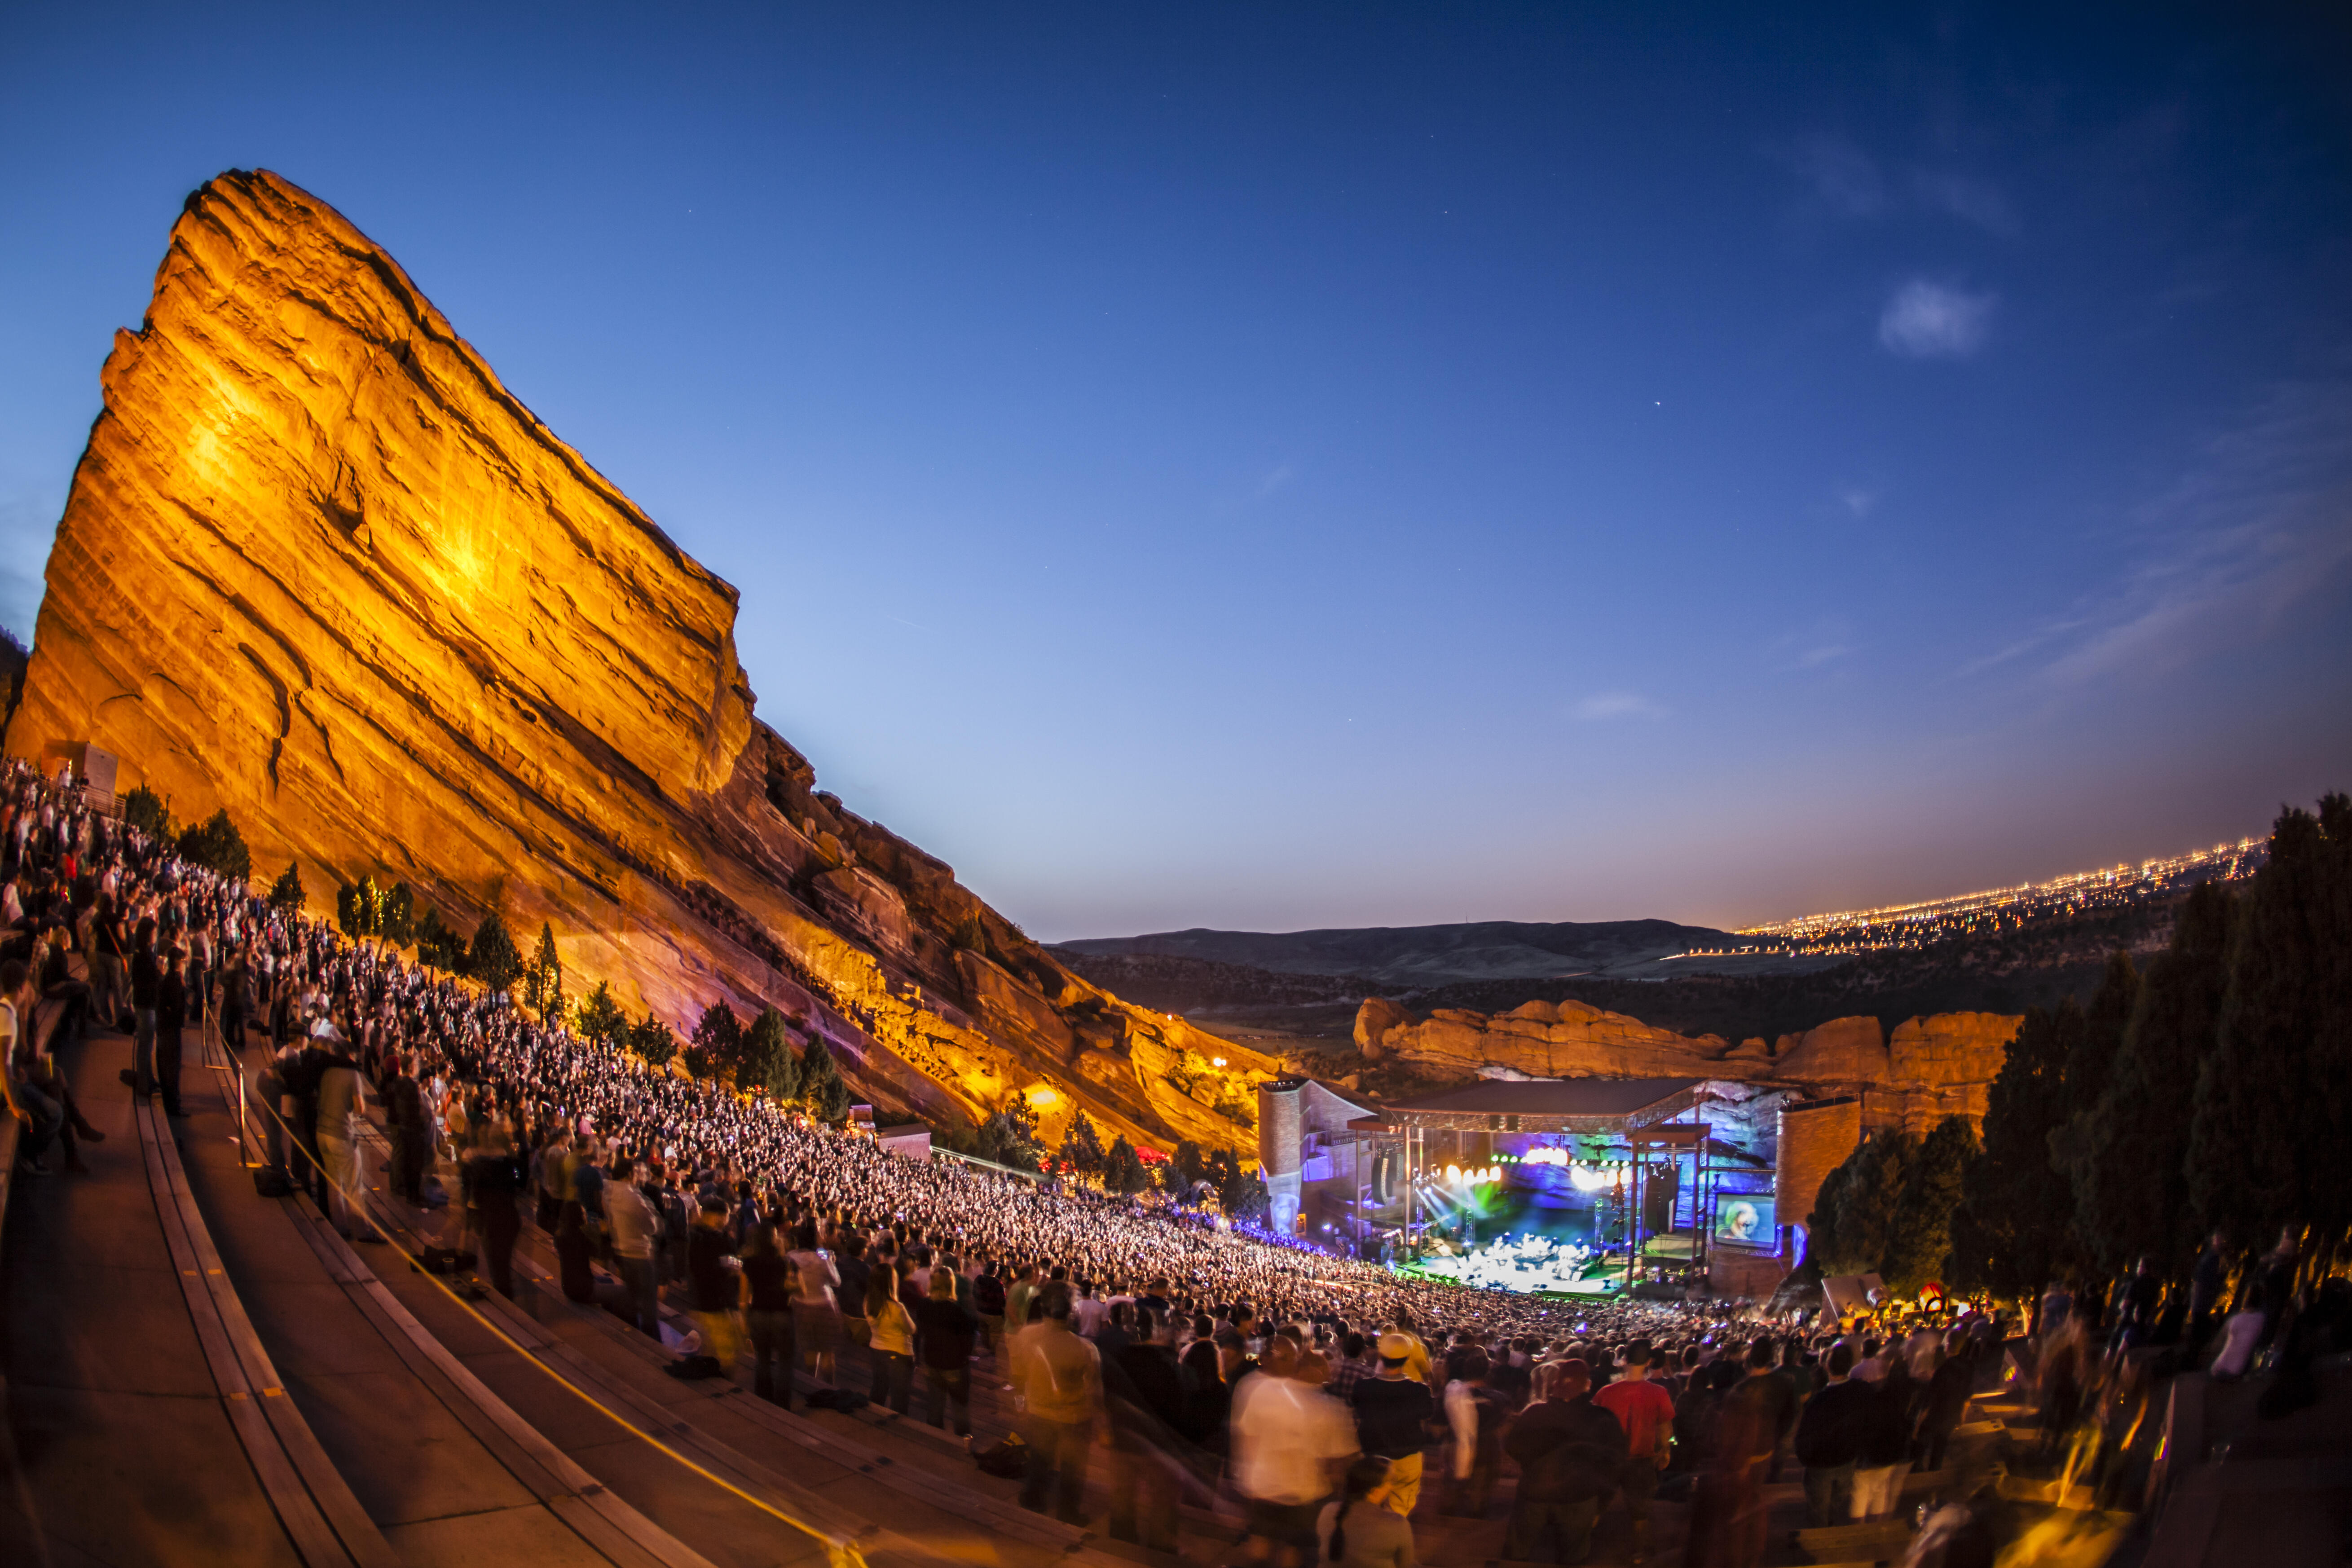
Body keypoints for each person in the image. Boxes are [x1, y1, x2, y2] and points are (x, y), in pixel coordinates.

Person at [1231, 1336, 1360, 1568]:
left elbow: (1247, 1437)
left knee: (1260, 1543)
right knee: (1293, 1550)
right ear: (1323, 1374)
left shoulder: (1262, 1390)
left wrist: (1246, 1476)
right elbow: (1339, 1464)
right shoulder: (1332, 1409)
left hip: (1262, 1486)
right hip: (1304, 1494)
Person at [1501, 1359, 1627, 1566]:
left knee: (1517, 1552)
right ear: (1588, 1384)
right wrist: (1602, 1502)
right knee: (1574, 1556)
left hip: (1535, 1492)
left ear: (1556, 1383)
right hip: (1580, 1495)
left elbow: (1512, 1446)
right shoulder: (1603, 1418)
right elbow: (1615, 1463)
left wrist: (1533, 1466)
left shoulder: (1535, 1413)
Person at [1012, 1281, 1101, 1524]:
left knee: (1040, 1460)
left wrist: (1022, 1406)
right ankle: (1068, 1513)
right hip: (1073, 1418)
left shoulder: (1026, 1335)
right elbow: (1094, 1392)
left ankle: (1032, 1501)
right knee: (1073, 1469)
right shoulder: (1086, 1349)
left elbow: (1018, 1374)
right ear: (1073, 1311)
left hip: (1037, 1410)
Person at [1593, 1342, 1676, 1562]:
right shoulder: (1659, 1393)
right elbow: (1665, 1428)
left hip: (1610, 1459)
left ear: (1624, 1360)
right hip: (1642, 1460)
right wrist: (1666, 1450)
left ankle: (1581, 1547)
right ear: (1649, 1362)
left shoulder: (1605, 1393)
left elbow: (1596, 1427)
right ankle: (1639, 1555)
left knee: (1597, 1506)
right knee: (1640, 1513)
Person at [1350, 1330, 1437, 1516]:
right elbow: (1427, 1414)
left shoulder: (1363, 1387)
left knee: (1368, 1504)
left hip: (1372, 1455)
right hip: (1407, 1456)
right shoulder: (1419, 1391)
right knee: (1400, 1509)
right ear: (1407, 1359)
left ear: (1381, 1355)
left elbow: (1357, 1409)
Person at [1792, 1342, 1868, 1528]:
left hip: (1822, 1464)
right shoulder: (1861, 1391)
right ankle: (1830, 1525)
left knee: (1819, 1507)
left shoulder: (1819, 1401)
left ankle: (1820, 1538)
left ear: (1827, 1366)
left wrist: (1807, 1459)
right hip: (1848, 1457)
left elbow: (1804, 1437)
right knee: (1837, 1500)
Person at [675, 1199, 744, 1379]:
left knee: (709, 1350)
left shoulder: (695, 1234)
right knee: (727, 1355)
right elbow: (724, 1270)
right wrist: (731, 1271)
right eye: (727, 1217)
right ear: (719, 1216)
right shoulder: (717, 1240)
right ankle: (725, 1390)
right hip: (717, 1305)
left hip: (700, 1301)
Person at [1316, 1454, 1418, 1568]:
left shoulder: (1328, 1511)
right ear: (1376, 1491)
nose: (1393, 1486)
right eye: (1392, 1481)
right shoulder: (1397, 1524)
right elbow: (1405, 1564)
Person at [918, 1265, 979, 1436]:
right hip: (955, 1366)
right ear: (951, 1285)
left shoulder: (923, 1305)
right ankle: (962, 1445)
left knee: (935, 1406)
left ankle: (936, 1439)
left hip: (931, 1362)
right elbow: (968, 1343)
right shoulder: (957, 1311)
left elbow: (921, 1331)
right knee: (960, 1409)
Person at [743, 1221, 800, 1405]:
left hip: (758, 1313)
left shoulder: (749, 1262)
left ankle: (764, 1401)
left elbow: (745, 1294)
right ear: (774, 1238)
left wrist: (745, 1321)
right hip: (782, 1314)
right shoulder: (784, 1262)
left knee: (763, 1360)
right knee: (785, 1362)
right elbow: (791, 1288)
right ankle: (783, 1405)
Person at [605, 1155, 661, 1337]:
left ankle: (630, 1334)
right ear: (630, 1174)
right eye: (636, 1173)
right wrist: (652, 1210)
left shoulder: (608, 1191)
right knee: (648, 1303)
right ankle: (651, 1340)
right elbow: (652, 1227)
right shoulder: (633, 1197)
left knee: (630, 1294)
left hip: (621, 1249)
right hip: (640, 1254)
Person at [864, 1264, 916, 1414]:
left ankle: (872, 1418)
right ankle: (898, 1427)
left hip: (877, 1350)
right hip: (899, 1354)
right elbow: (912, 1329)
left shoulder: (869, 1302)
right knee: (899, 1397)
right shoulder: (897, 1308)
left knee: (879, 1389)